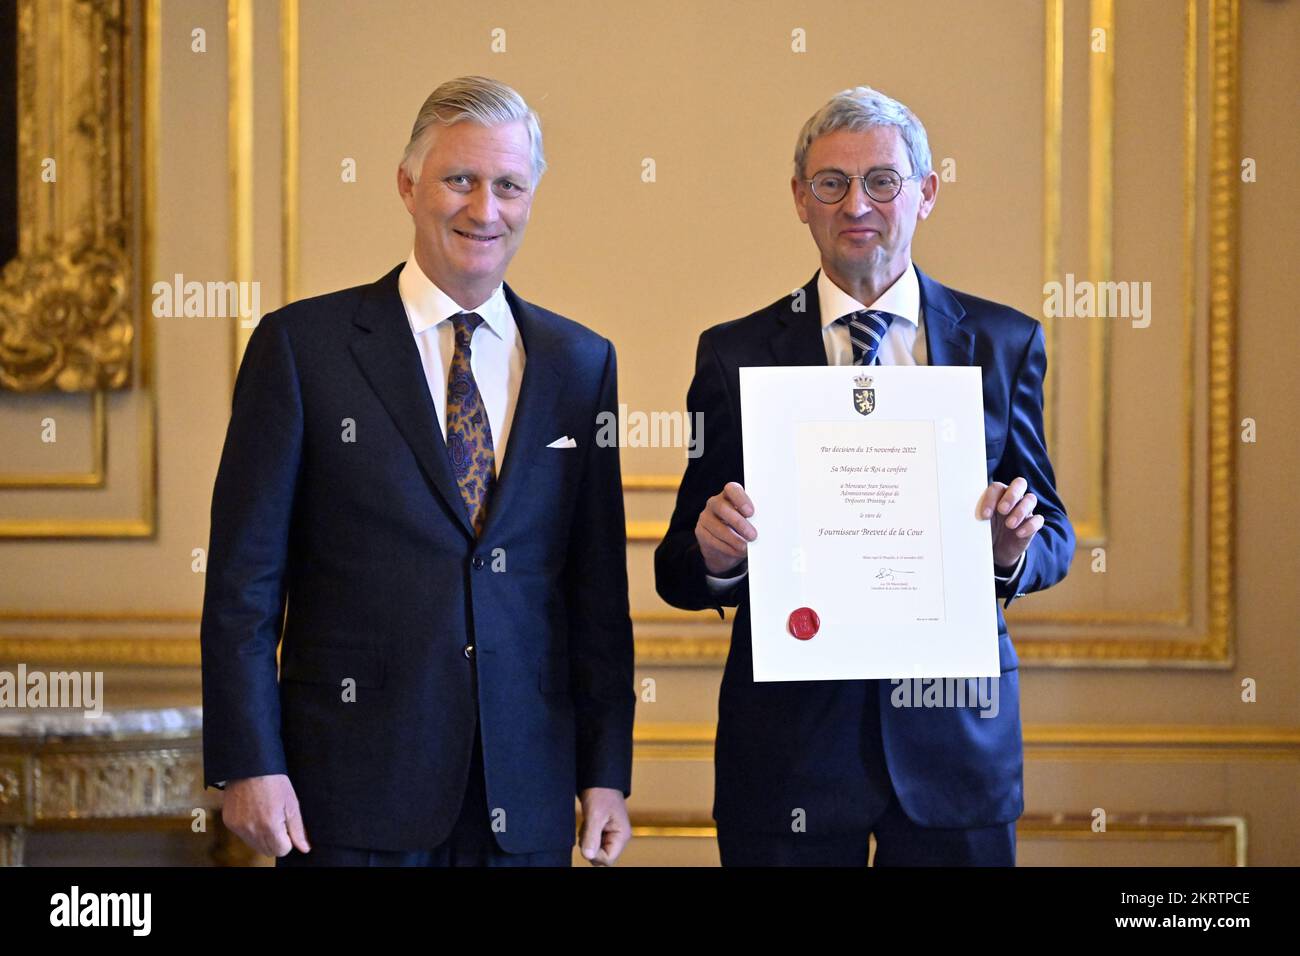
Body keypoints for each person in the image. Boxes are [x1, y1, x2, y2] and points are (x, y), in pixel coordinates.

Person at [201, 76, 634, 867]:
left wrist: (606, 773)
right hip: (350, 798)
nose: (485, 209)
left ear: (532, 195)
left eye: (508, 185)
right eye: (459, 180)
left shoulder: (581, 364)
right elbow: (243, 585)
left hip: (525, 800)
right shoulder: (303, 350)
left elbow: (596, 592)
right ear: (408, 185)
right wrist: (249, 761)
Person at [654, 86, 1075, 866]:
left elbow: (1054, 532)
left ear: (925, 192)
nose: (859, 203)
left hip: (954, 750)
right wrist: (715, 555)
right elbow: (678, 566)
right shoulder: (733, 352)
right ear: (799, 200)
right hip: (787, 758)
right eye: (831, 183)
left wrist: (1012, 549)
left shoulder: (1002, 341)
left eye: (883, 180)